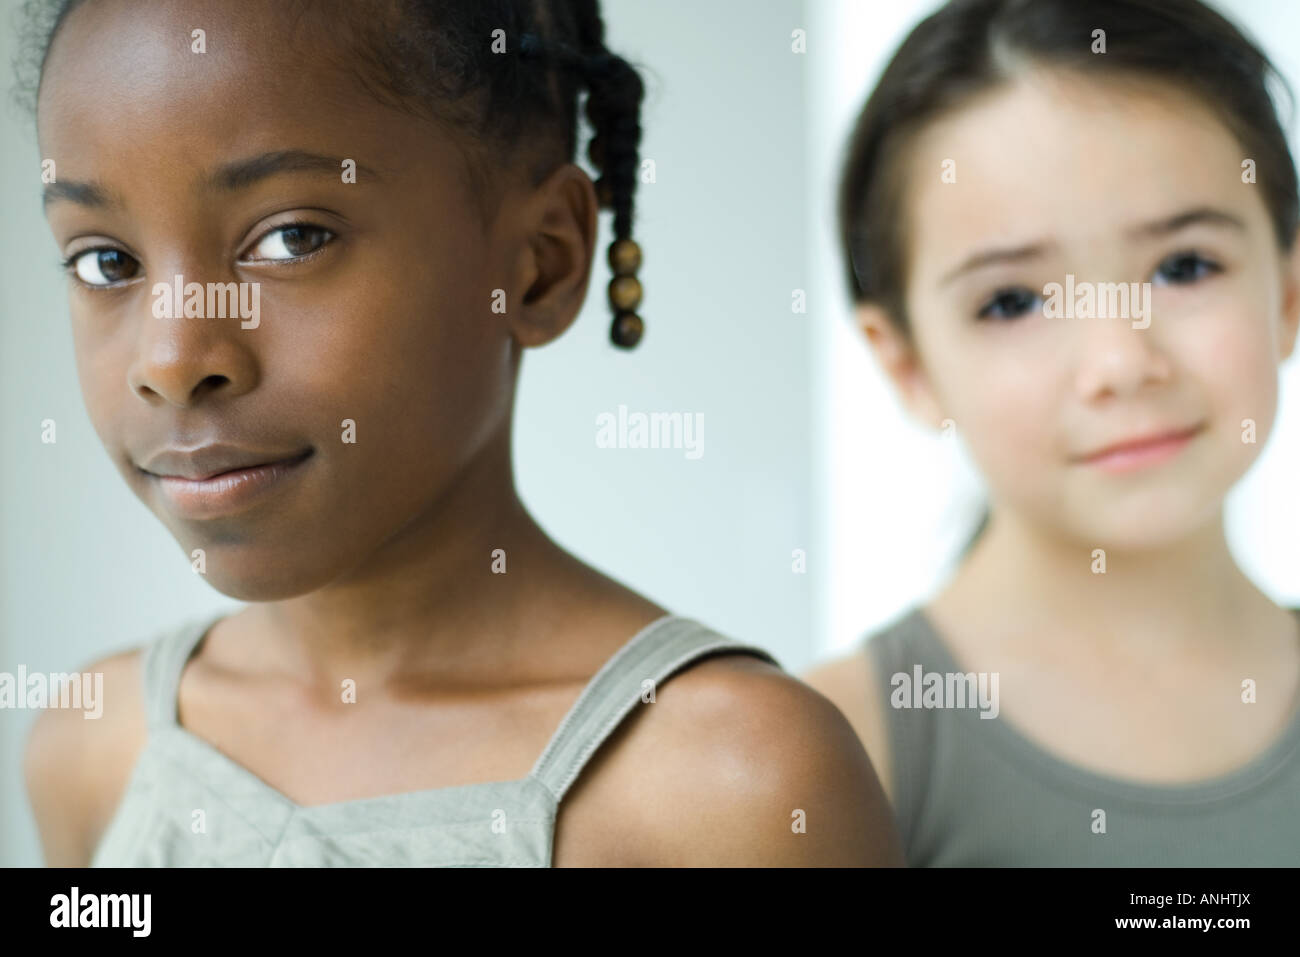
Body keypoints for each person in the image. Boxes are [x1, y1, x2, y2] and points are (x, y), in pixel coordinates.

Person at [20, 0, 901, 867]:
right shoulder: (93, 749)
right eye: (108, 261)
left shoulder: (735, 785)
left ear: (540, 263)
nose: (171, 359)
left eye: (291, 238)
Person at [805, 0, 1300, 865]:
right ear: (908, 367)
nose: (1119, 361)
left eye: (1184, 266)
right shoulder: (834, 753)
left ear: (1287, 296)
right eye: (1014, 301)